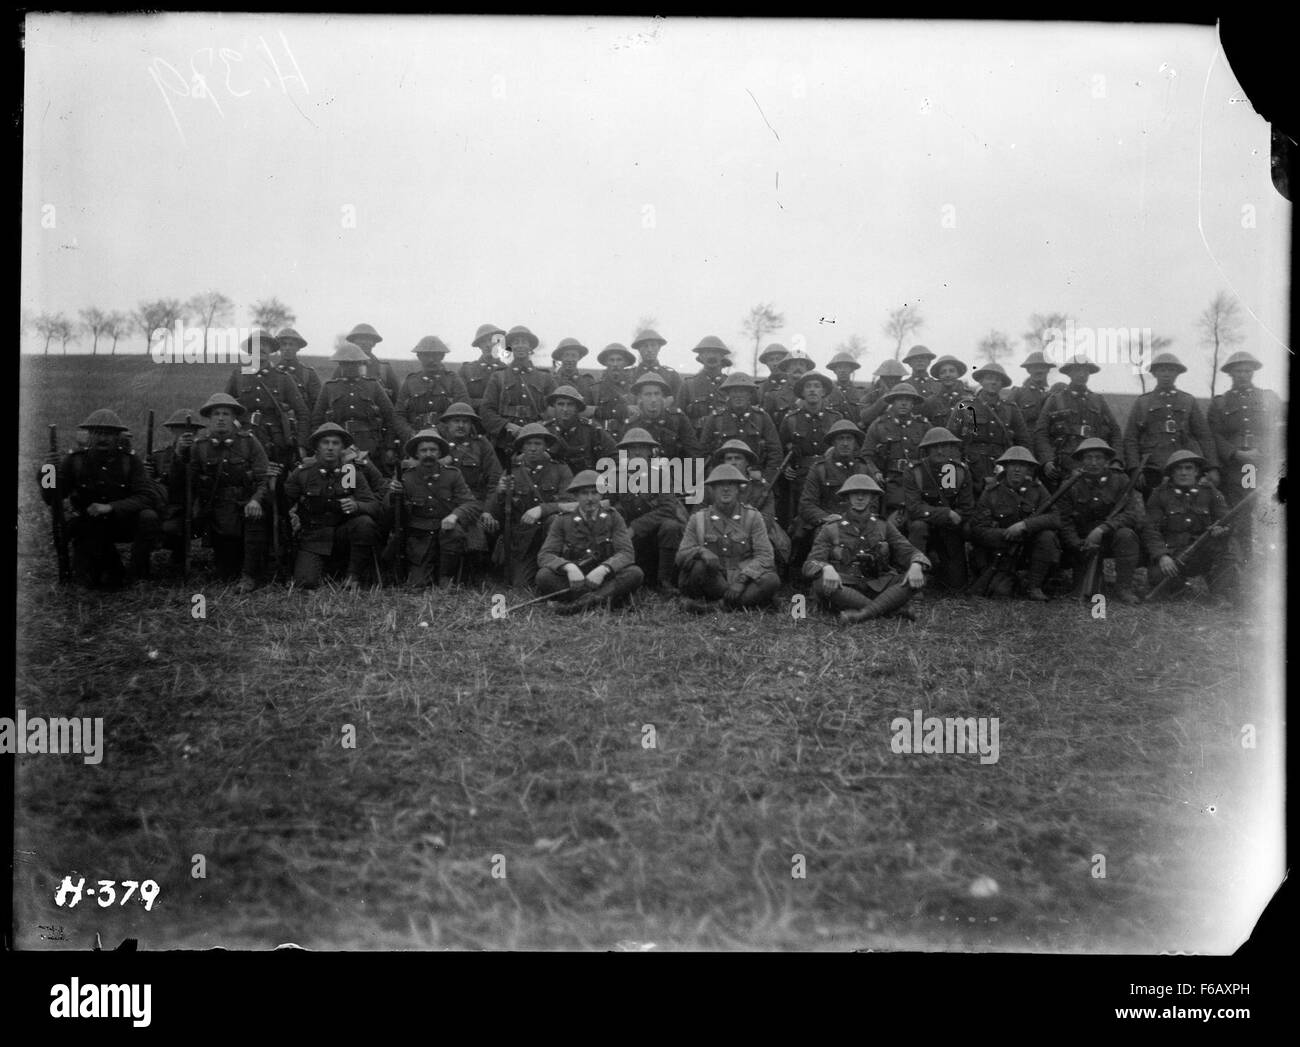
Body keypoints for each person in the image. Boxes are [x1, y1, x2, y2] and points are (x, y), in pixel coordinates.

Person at [41, 408, 160, 587]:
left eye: (109, 434)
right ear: (89, 435)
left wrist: (111, 507)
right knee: (91, 583)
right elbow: (53, 498)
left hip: (122, 523)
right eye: (97, 433)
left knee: (148, 517)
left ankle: (137, 572)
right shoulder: (75, 461)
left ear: (118, 437)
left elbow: (147, 497)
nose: (103, 439)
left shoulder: (130, 462)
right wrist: (47, 472)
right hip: (89, 527)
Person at [176, 393, 271, 591]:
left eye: (226, 414)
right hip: (217, 511)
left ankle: (249, 575)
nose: (220, 418)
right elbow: (186, 483)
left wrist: (256, 500)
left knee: (255, 520)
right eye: (216, 414)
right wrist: (180, 454)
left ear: (234, 418)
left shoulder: (249, 442)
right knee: (225, 572)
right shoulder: (199, 447)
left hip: (246, 505)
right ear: (209, 419)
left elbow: (264, 478)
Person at [804, 474, 928, 622]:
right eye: (855, 493)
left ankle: (863, 614)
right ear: (848, 497)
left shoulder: (883, 525)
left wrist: (916, 564)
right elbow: (810, 564)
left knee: (917, 578)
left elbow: (908, 550)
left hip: (877, 584)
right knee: (821, 583)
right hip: (846, 585)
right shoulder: (831, 528)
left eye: (865, 493)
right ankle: (892, 611)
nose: (860, 498)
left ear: (872, 497)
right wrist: (826, 568)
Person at [283, 422, 383, 591]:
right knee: (306, 583)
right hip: (314, 537)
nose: (330, 448)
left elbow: (373, 505)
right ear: (317, 447)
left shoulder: (348, 473)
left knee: (364, 523)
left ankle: (353, 576)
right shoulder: (304, 474)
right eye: (325, 443)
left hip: (341, 535)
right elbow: (284, 503)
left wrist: (356, 505)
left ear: (342, 448)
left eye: (335, 443)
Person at [536, 470, 644, 615]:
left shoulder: (613, 517)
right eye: (584, 493)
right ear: (576, 496)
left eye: (595, 493)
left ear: (601, 495)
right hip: (575, 581)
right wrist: (569, 568)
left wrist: (604, 569)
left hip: (604, 578)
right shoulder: (562, 520)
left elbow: (626, 553)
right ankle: (604, 601)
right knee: (544, 576)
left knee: (635, 573)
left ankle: (574, 607)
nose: (590, 498)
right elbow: (545, 555)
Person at [675, 464, 781, 613]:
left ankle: (713, 607)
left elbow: (765, 555)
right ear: (711, 490)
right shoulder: (698, 519)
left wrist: (742, 580)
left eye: (731, 484)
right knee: (698, 567)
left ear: (739, 489)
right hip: (713, 579)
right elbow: (680, 556)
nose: (726, 489)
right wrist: (700, 551)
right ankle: (743, 603)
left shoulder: (753, 517)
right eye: (720, 485)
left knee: (771, 580)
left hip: (742, 579)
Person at [485, 422, 574, 588]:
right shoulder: (512, 471)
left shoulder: (560, 469)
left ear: (546, 446)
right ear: (521, 447)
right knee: (521, 584)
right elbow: (497, 512)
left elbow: (570, 503)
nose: (533, 448)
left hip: (551, 535)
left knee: (555, 520)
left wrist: (542, 509)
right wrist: (500, 492)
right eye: (528, 444)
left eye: (538, 443)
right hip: (524, 540)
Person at [1142, 449, 1238, 604]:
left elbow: (1227, 519)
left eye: (1188, 468)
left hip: (1203, 551)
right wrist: (1162, 556)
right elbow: (1150, 529)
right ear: (1171, 473)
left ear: (1196, 471)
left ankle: (1220, 592)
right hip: (1173, 555)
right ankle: (1180, 587)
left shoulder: (1210, 492)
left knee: (1226, 555)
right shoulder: (1159, 494)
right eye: (1178, 469)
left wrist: (1222, 530)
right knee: (1156, 575)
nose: (1183, 473)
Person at [387, 428, 477, 588]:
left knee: (454, 533)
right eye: (423, 450)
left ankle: (446, 576)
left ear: (440, 452)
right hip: (420, 536)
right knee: (418, 584)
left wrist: (454, 516)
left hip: (446, 531)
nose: (428, 454)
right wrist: (393, 495)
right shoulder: (405, 476)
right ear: (416, 453)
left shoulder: (453, 475)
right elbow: (389, 510)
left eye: (433, 450)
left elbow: (470, 503)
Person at [1057, 437, 1143, 604]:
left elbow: (1131, 514)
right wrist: (1077, 544)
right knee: (1087, 589)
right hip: (1082, 544)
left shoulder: (1120, 480)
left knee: (1126, 535)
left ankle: (1123, 587)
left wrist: (1102, 529)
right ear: (1081, 461)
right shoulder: (1070, 485)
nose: (1094, 462)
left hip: (1110, 538)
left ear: (1107, 461)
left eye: (1099, 458)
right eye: (1088, 457)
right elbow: (1064, 520)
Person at [970, 446, 1061, 601]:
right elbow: (978, 530)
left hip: (1029, 547)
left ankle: (1035, 586)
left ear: (1029, 469)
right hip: (1001, 551)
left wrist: (1025, 526)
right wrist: (1007, 535)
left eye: (1023, 465)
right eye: (1013, 465)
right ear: (1005, 467)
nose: (1017, 470)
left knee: (1047, 536)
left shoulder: (1037, 489)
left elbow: (1055, 518)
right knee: (1000, 593)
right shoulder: (991, 492)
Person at [606, 427, 688, 593]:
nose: (637, 452)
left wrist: (635, 528)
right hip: (629, 540)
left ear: (650, 451)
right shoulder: (615, 476)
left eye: (642, 447)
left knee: (671, 527)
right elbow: (608, 507)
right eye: (632, 447)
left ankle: (664, 581)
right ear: (625, 452)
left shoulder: (661, 475)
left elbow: (668, 508)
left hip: (655, 536)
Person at [1123, 352, 1218, 492]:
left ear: (1177, 374)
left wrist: (1212, 467)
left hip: (1184, 465)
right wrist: (1135, 469)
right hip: (1153, 467)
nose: (1166, 374)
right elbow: (1131, 438)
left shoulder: (1188, 401)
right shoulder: (1143, 402)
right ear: (1154, 373)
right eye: (1162, 370)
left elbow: (1204, 436)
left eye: (1171, 370)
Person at [311, 342, 406, 475]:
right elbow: (317, 420)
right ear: (340, 364)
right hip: (340, 446)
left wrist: (389, 446)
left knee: (373, 482)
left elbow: (391, 417)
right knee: (345, 483)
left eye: (354, 363)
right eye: (345, 363)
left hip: (370, 446)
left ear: (361, 363)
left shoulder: (373, 386)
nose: (350, 367)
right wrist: (320, 448)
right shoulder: (329, 387)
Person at [901, 427, 975, 591]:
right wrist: (946, 513)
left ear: (951, 448)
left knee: (957, 585)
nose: (940, 451)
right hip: (923, 526)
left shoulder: (960, 471)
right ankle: (915, 580)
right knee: (918, 526)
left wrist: (955, 519)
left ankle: (941, 569)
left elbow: (967, 508)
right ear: (927, 449)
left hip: (950, 528)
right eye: (935, 447)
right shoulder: (914, 471)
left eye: (944, 446)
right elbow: (914, 508)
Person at [1208, 351, 1283, 510]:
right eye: (1238, 371)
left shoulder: (1268, 398)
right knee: (1238, 510)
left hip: (1264, 463)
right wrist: (1235, 453)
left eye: (1247, 371)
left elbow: (1275, 430)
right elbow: (1214, 435)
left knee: (1266, 509)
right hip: (1234, 467)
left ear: (1253, 372)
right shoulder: (1220, 403)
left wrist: (1262, 450)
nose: (1243, 375)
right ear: (1230, 373)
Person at [436, 402, 502, 578]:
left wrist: (488, 511)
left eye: (465, 421)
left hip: (474, 503)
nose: (460, 425)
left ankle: (474, 573)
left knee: (481, 529)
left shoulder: (481, 445)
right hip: (443, 502)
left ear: (471, 424)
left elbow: (494, 480)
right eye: (456, 421)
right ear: (447, 423)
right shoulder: (435, 444)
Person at [224, 330, 310, 464]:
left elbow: (303, 413)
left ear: (271, 350)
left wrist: (301, 445)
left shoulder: (283, 378)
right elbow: (224, 407)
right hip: (243, 440)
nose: (261, 348)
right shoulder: (239, 376)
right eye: (257, 345)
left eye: (265, 345)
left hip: (275, 442)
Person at [1033, 354, 1122, 483]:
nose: (1081, 374)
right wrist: (1047, 460)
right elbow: (1041, 433)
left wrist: (1116, 460)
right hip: (1063, 466)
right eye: (1077, 370)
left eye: (1085, 371)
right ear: (1069, 373)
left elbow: (1115, 432)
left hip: (1094, 464)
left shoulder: (1098, 400)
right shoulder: (1055, 400)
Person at [479, 325, 556, 468]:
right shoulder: (499, 376)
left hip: (536, 442)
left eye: (524, 342)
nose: (520, 346)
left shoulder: (545, 378)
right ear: (510, 347)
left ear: (530, 347)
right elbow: (486, 411)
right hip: (504, 443)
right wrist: (507, 426)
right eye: (516, 342)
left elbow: (556, 410)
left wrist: (540, 427)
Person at [948, 362, 1029, 489]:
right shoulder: (964, 406)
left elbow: (1023, 441)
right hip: (971, 466)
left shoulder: (1010, 409)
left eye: (997, 380)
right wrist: (959, 467)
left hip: (1002, 467)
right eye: (989, 378)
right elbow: (951, 440)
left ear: (1002, 384)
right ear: (981, 381)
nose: (993, 382)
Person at [146, 409, 205, 570]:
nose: (187, 433)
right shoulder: (159, 456)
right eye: (180, 429)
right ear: (172, 430)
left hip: (192, 511)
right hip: (165, 509)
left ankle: (179, 555)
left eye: (192, 430)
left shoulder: (202, 454)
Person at [698, 372, 782, 482]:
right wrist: (713, 475)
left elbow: (775, 451)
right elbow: (703, 452)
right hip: (722, 478)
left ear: (750, 394)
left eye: (743, 391)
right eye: (734, 391)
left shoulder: (762, 417)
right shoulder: (715, 418)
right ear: (728, 394)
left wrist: (765, 478)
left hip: (754, 478)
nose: (738, 395)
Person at [863, 383, 929, 518]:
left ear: (913, 403)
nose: (904, 403)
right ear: (892, 402)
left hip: (918, 480)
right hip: (890, 480)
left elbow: (932, 453)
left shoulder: (923, 425)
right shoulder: (879, 425)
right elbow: (866, 455)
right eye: (899, 399)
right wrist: (875, 472)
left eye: (908, 400)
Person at [396, 336, 470, 432]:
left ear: (442, 356)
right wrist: (409, 434)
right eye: (426, 355)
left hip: (445, 437)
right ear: (419, 357)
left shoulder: (453, 380)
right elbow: (399, 414)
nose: (431, 360)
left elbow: (462, 412)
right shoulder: (410, 382)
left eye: (435, 355)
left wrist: (437, 431)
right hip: (414, 437)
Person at [622, 371, 700, 459]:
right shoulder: (632, 424)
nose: (653, 399)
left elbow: (694, 453)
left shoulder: (677, 419)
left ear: (663, 396)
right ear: (640, 398)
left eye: (657, 394)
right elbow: (623, 459)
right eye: (648, 394)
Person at [544, 385, 617, 474]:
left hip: (586, 483)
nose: (565, 409)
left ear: (577, 407)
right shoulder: (546, 431)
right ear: (554, 406)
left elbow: (615, 456)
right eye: (560, 404)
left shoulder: (593, 430)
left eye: (570, 404)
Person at [678, 335, 734, 434]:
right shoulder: (688, 386)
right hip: (696, 441)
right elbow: (678, 420)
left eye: (716, 352)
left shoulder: (731, 385)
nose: (711, 356)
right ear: (700, 357)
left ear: (722, 356)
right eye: (707, 352)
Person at [343, 322, 400, 403]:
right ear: (353, 343)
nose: (363, 342)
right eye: (360, 339)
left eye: (368, 339)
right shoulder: (342, 368)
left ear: (374, 343)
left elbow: (398, 402)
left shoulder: (384, 370)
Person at [591, 343, 638, 435]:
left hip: (627, 437)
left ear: (626, 363)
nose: (615, 364)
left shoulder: (634, 389)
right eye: (611, 360)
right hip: (602, 438)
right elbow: (584, 413)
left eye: (619, 360)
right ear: (606, 363)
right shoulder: (595, 389)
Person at [460, 323, 507, 413]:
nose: (488, 345)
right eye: (483, 341)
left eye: (491, 340)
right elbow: (462, 400)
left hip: (500, 423)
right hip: (474, 422)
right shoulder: (466, 370)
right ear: (479, 345)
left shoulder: (507, 371)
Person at [762, 350, 815, 428]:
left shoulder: (816, 394)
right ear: (786, 369)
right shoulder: (773, 396)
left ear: (807, 370)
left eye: (801, 364)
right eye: (793, 364)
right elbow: (766, 426)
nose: (798, 367)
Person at [1007, 351, 1058, 430]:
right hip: (1026, 440)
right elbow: (1008, 419)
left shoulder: (1053, 395)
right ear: (1028, 370)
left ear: (1048, 370)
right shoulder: (1018, 393)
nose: (1039, 371)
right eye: (1035, 367)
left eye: (1042, 367)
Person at [920, 355, 973, 429]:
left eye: (952, 371)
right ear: (939, 376)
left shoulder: (970, 399)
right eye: (943, 372)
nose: (947, 375)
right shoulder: (931, 402)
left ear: (958, 374)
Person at [274, 327, 322, 409]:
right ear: (279, 348)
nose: (287, 348)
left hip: (302, 419)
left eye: (291, 344)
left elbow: (318, 403)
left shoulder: (308, 374)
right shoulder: (272, 372)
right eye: (284, 344)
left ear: (298, 348)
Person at [630, 329, 682, 404]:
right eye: (645, 346)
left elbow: (679, 402)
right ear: (639, 349)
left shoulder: (671, 375)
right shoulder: (630, 374)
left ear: (659, 348)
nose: (649, 350)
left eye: (653, 345)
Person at [858, 359, 909, 428]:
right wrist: (883, 401)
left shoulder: (907, 393)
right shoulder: (872, 394)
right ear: (882, 378)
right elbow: (865, 417)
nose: (893, 381)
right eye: (889, 378)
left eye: (897, 378)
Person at [549, 338, 596, 406]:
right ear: (560, 357)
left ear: (579, 358)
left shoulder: (588, 382)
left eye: (574, 356)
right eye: (566, 355)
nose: (570, 359)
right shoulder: (551, 380)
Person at [825, 352, 867, 420]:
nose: (842, 370)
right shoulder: (828, 393)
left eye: (846, 367)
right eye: (839, 367)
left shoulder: (860, 392)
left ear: (852, 370)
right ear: (834, 371)